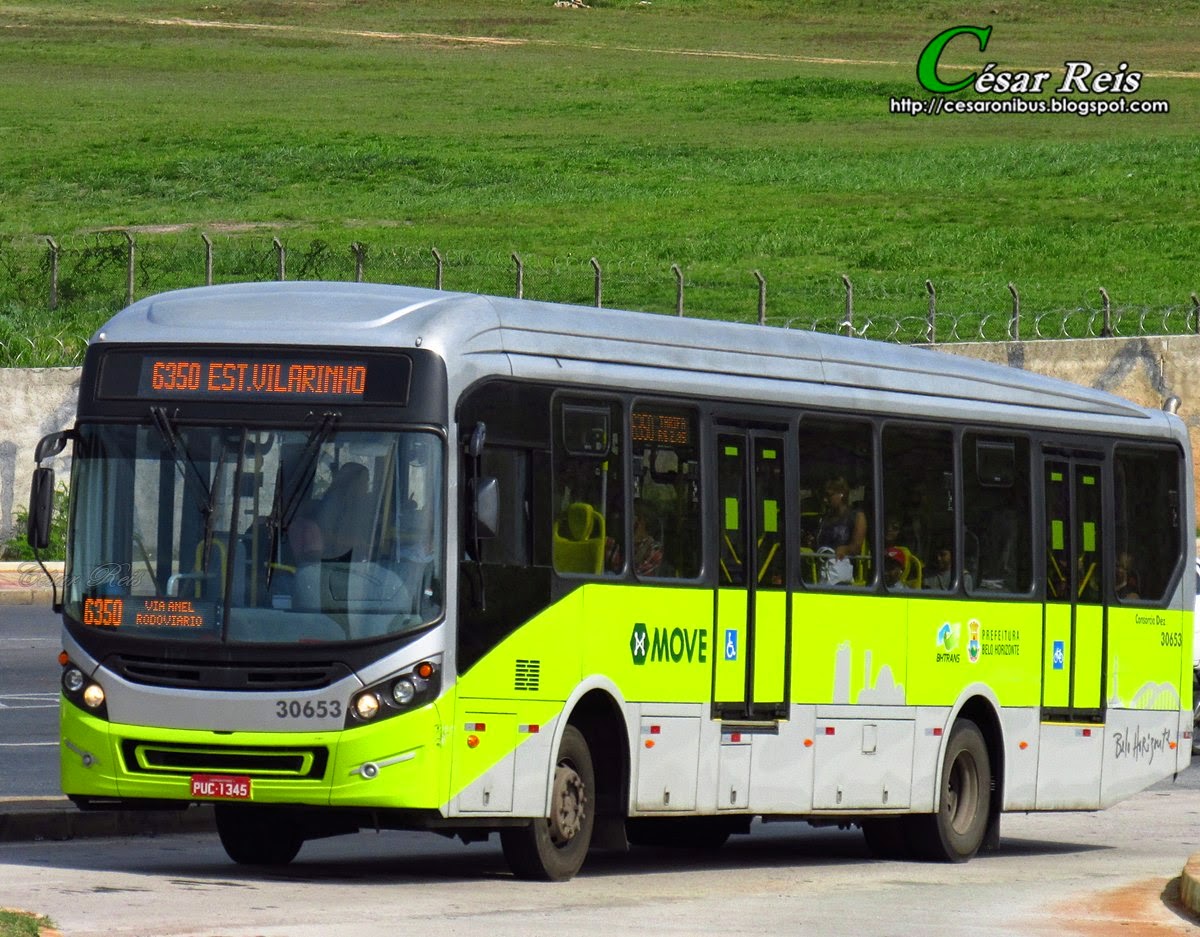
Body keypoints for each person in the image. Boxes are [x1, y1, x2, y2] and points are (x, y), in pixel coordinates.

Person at [815, 476, 867, 584]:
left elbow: (856, 547)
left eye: (829, 495)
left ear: (841, 493)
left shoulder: (857, 516)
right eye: (823, 496)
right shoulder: (824, 519)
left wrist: (845, 549)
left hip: (842, 572)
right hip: (822, 570)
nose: (825, 500)